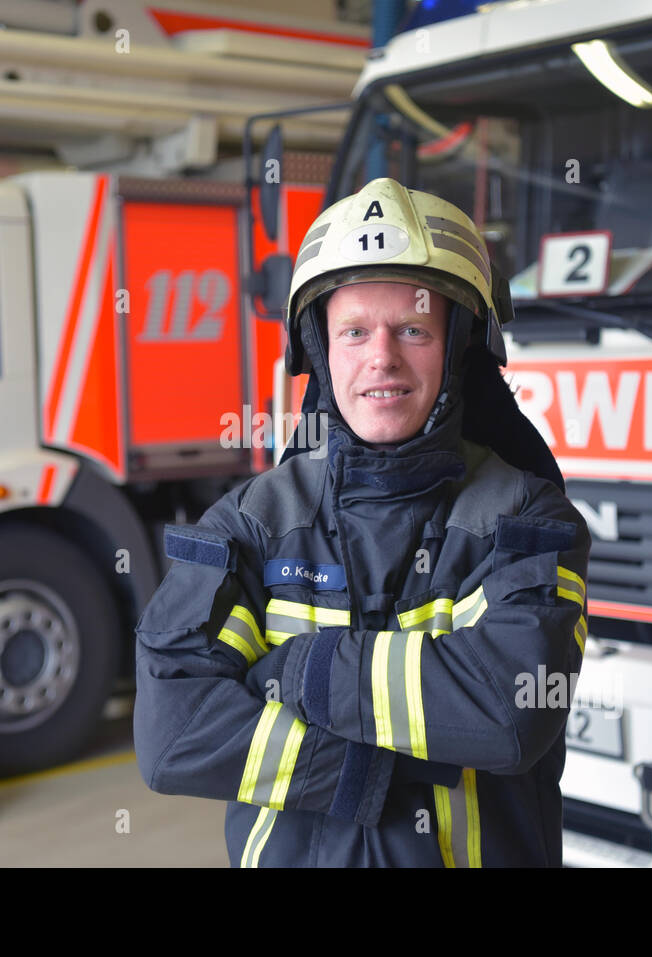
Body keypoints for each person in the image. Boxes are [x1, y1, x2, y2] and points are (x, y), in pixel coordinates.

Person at [133, 177, 591, 867]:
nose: (382, 357)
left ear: (459, 344)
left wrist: (299, 670)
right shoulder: (256, 520)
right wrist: (361, 772)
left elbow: (511, 710)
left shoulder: (525, 518)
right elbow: (173, 734)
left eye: (412, 328)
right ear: (322, 352)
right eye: (355, 332)